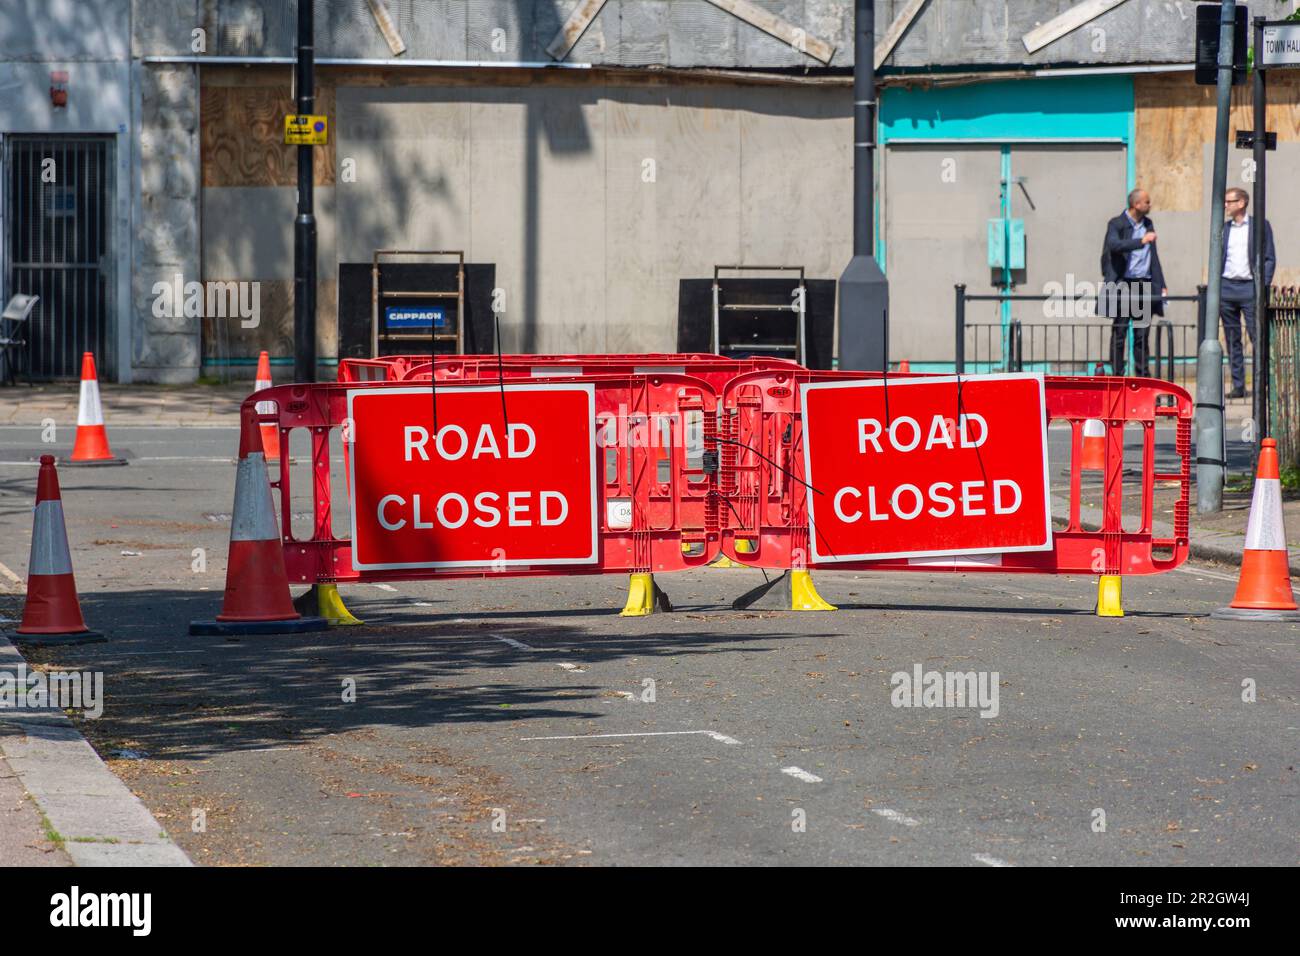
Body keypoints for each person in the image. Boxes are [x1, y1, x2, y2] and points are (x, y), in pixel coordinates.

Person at [1099, 189, 1167, 377]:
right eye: (1147, 202)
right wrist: (1141, 241)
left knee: (1142, 334)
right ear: (1136, 205)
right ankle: (1118, 374)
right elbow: (1114, 245)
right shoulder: (1117, 223)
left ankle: (1142, 374)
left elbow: (1154, 257)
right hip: (1124, 284)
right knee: (1119, 332)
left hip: (1143, 284)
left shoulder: (1148, 224)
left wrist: (1161, 282)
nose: (1149, 205)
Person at [1219, 186, 1276, 399]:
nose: (1225, 205)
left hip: (1250, 288)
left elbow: (1269, 257)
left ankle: (1263, 383)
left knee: (1257, 336)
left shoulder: (1260, 226)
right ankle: (1238, 385)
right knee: (1232, 339)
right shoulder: (1224, 228)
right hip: (1227, 287)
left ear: (1241, 203)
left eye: (1229, 202)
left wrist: (1262, 285)